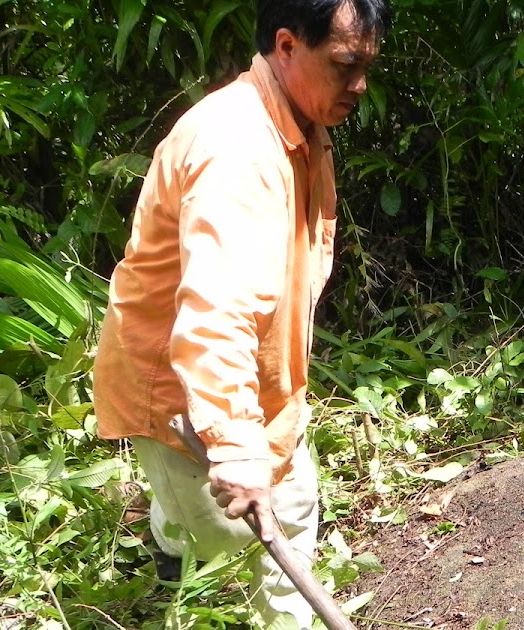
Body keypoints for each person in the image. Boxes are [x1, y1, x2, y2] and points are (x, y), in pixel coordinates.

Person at [93, 0, 385, 626]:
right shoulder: (237, 151)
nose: (360, 84)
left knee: (295, 503)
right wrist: (235, 446)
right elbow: (217, 310)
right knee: (224, 538)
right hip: (180, 391)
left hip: (256, 380)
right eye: (344, 63)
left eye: (367, 65)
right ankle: (171, 540)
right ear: (287, 45)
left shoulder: (301, 126)